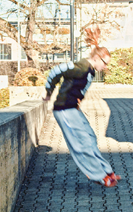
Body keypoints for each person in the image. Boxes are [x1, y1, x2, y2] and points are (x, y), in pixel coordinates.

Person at [43, 26, 119, 187]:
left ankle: (106, 171)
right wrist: (49, 92)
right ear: (97, 59)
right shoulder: (81, 67)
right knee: (80, 144)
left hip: (72, 109)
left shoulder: (90, 69)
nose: (105, 68)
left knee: (90, 138)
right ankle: (99, 176)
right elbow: (56, 70)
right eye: (104, 64)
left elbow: (80, 85)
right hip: (63, 109)